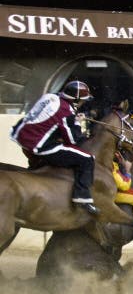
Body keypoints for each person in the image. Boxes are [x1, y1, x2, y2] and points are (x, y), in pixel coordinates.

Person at [10, 79, 99, 215]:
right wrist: (76, 122)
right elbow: (72, 140)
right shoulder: (66, 111)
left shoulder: (50, 97)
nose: (83, 103)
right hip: (39, 146)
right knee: (87, 159)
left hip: (22, 138)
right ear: (75, 100)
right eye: (82, 100)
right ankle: (82, 197)